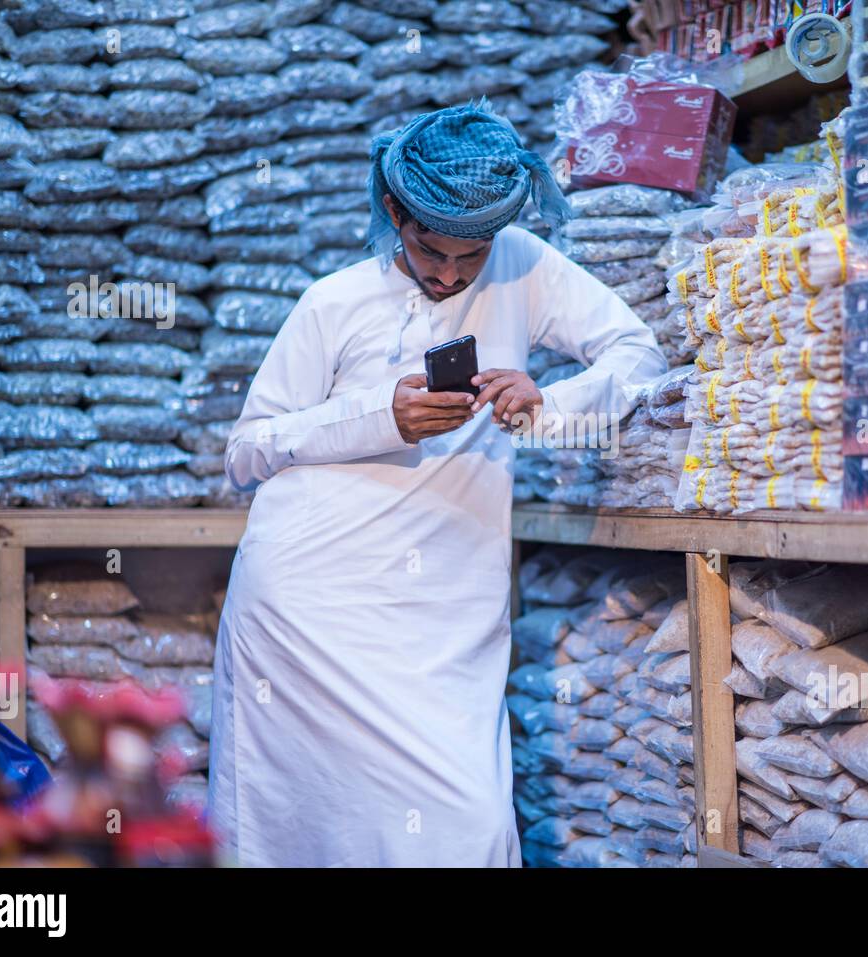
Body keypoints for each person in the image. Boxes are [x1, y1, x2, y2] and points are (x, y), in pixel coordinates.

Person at [207, 101, 667, 866]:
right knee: (301, 827)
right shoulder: (333, 301)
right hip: (309, 613)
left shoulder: (521, 265)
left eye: (470, 254)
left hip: (444, 616)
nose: (450, 273)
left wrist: (547, 404)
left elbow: (637, 355)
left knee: (465, 827)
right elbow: (246, 453)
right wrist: (379, 415)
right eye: (430, 250)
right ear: (394, 212)